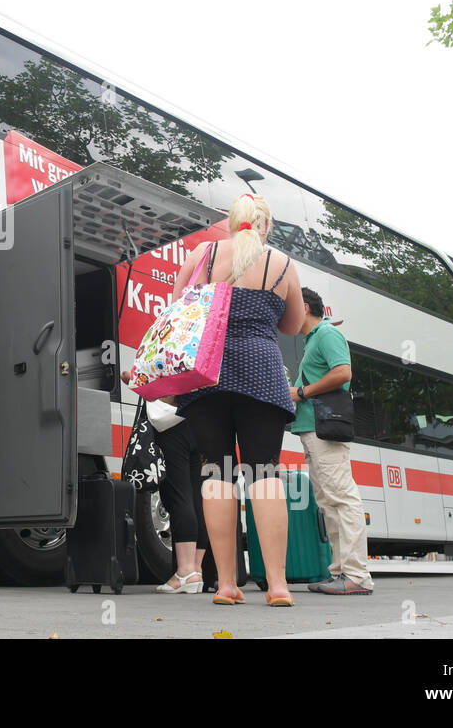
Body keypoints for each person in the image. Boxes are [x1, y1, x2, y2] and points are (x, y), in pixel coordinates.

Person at [166, 193, 304, 606]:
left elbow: (176, 309)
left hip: (208, 375)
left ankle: (226, 584)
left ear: (230, 222)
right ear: (266, 226)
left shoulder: (203, 253)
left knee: (217, 474)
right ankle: (278, 585)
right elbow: (294, 325)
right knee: (264, 473)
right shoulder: (280, 263)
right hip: (261, 374)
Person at [290, 287, 374, 596]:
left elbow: (342, 373)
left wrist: (300, 392)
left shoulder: (326, 333)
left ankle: (356, 576)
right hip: (314, 429)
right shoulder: (313, 339)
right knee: (329, 502)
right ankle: (342, 572)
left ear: (305, 307)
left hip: (323, 428)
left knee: (340, 498)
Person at [152, 411, 208, 593]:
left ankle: (184, 571)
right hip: (199, 422)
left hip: (171, 423)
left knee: (179, 496)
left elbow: (137, 380)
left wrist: (128, 380)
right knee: (197, 498)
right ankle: (196, 570)